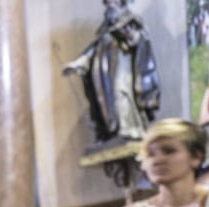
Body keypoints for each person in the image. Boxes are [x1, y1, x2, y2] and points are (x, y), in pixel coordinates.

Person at [62, 0, 160, 147]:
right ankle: (115, 131)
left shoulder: (132, 20)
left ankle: (130, 130)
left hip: (126, 70)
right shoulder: (105, 30)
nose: (110, 5)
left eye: (113, 1)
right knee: (111, 102)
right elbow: (93, 51)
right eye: (107, 2)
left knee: (123, 95)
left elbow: (141, 40)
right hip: (108, 77)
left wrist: (129, 34)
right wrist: (78, 64)